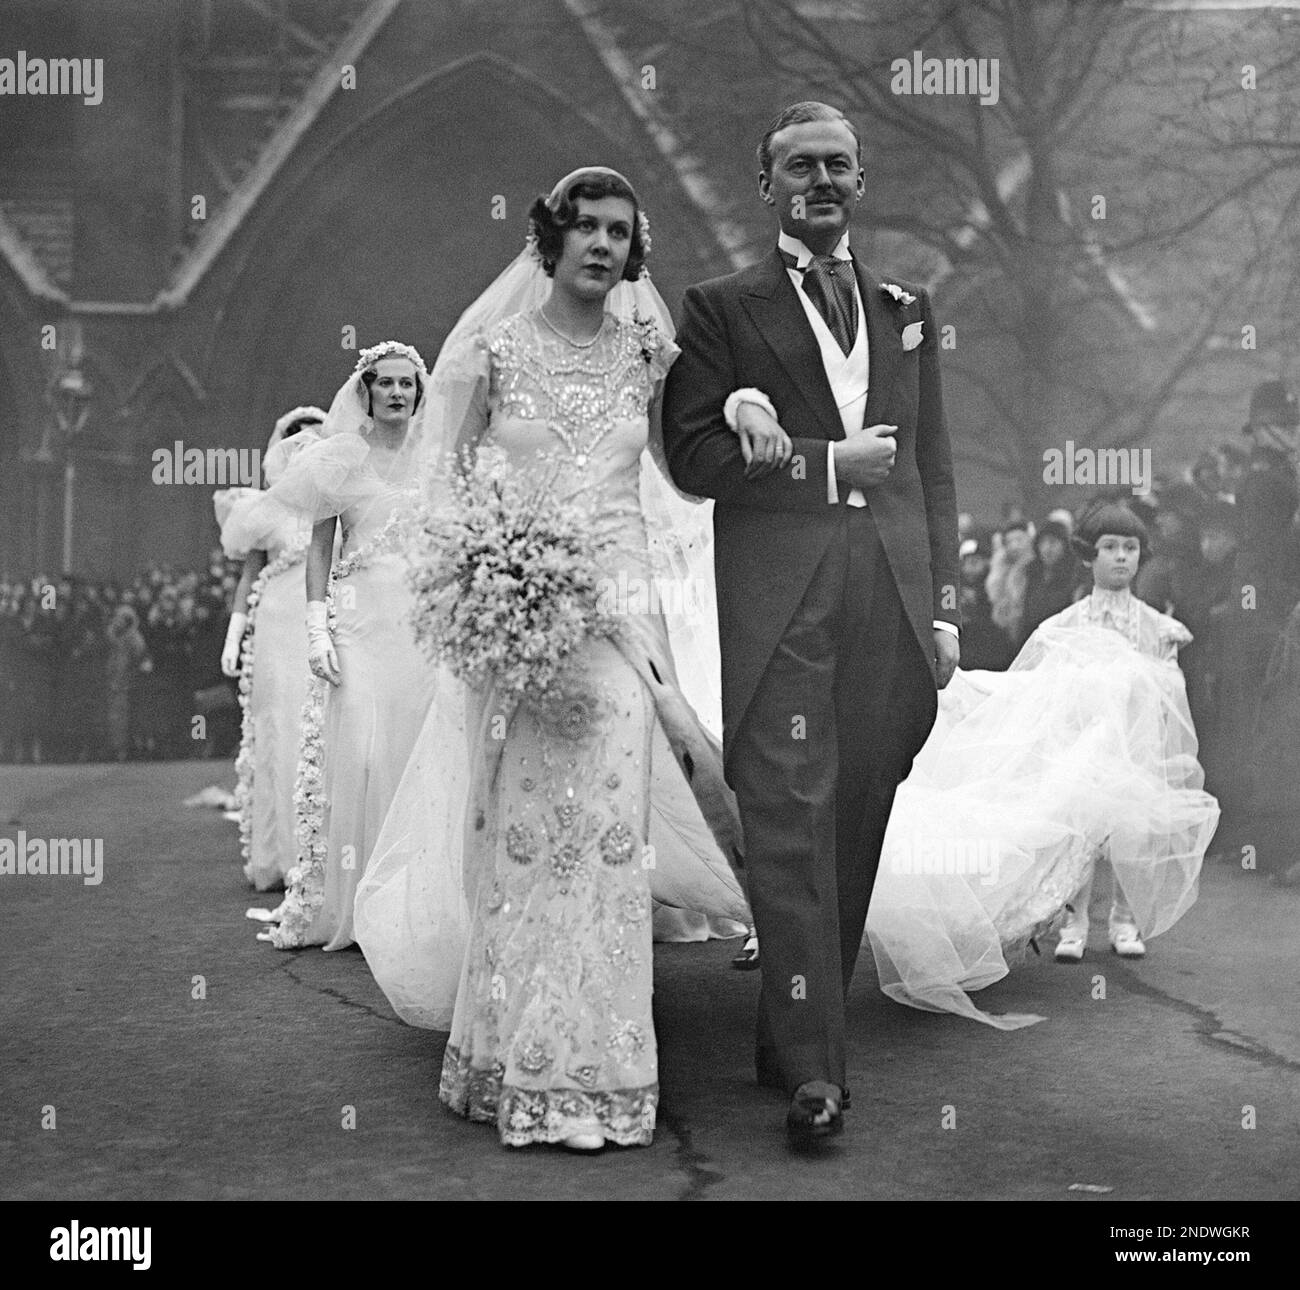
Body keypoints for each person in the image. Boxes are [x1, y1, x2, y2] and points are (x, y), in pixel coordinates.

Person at [354, 166, 749, 1152]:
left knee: (605, 849)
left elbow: (689, 446)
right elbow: (442, 491)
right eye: (586, 227)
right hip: (515, 628)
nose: (604, 245)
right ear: (550, 238)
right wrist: (481, 581)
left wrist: (742, 402)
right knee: (520, 846)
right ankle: (506, 1061)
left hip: (617, 627)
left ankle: (599, 1074)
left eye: (621, 232)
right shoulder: (490, 350)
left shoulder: (650, 354)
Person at [661, 101, 961, 1143]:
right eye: (798, 166)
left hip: (889, 601)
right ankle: (817, 1079)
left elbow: (930, 471)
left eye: (836, 164)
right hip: (781, 599)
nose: (819, 180)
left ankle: (787, 1035)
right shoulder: (719, 309)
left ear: (860, 181)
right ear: (766, 185)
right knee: (788, 819)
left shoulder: (906, 305)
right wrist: (824, 464)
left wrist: (947, 608)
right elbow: (693, 461)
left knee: (854, 814)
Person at [866, 502, 1218, 1026]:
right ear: (1088, 557)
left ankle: (1124, 920)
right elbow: (1041, 689)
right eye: (1110, 549)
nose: (1121, 559)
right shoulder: (1066, 625)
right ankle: (1073, 921)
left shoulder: (1160, 628)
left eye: (1130, 549)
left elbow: (1167, 692)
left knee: (1133, 826)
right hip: (1081, 743)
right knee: (1076, 826)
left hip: (1137, 742)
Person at [242, 345, 440, 948]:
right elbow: (320, 552)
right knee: (359, 751)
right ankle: (350, 900)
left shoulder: (437, 458)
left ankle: (410, 899)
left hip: (422, 624)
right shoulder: (339, 461)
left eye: (409, 385)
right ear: (368, 392)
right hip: (358, 620)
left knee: (414, 751)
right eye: (388, 385)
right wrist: (316, 627)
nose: (400, 394)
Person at [215, 405, 325, 889]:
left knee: (319, 725)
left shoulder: (335, 504)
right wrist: (235, 633)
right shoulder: (265, 509)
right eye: (294, 444)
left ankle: (324, 853)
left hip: (323, 617)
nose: (303, 451)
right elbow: (248, 576)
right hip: (277, 622)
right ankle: (281, 855)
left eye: (313, 443)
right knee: (280, 724)